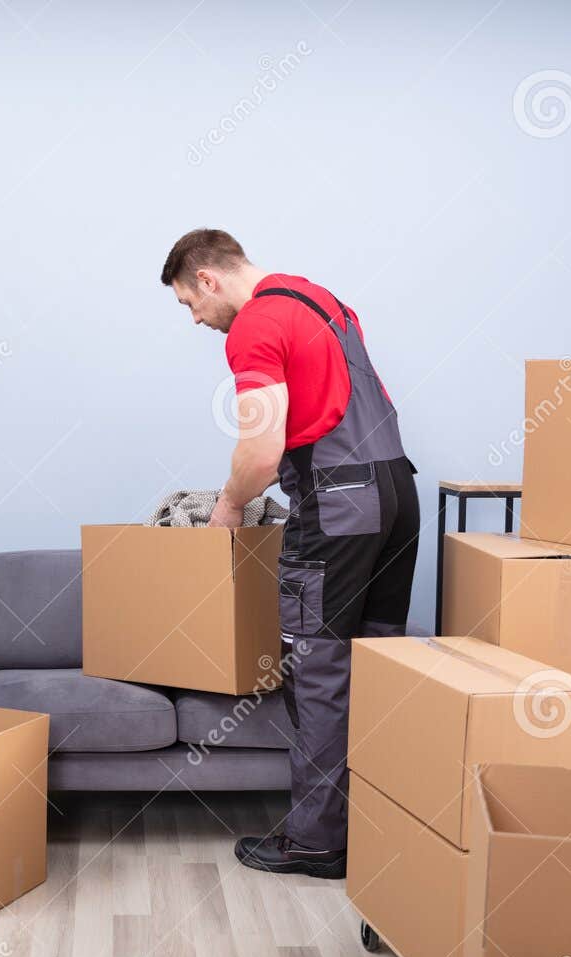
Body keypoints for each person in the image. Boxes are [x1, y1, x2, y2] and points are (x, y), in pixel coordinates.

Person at [162, 228, 420, 879]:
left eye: (188, 304)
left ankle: (315, 842)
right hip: (397, 493)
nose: (195, 319)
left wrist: (228, 506)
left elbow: (262, 449)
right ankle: (381, 823)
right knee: (378, 660)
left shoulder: (254, 327)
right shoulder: (323, 300)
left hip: (340, 506)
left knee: (320, 669)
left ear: (207, 279)